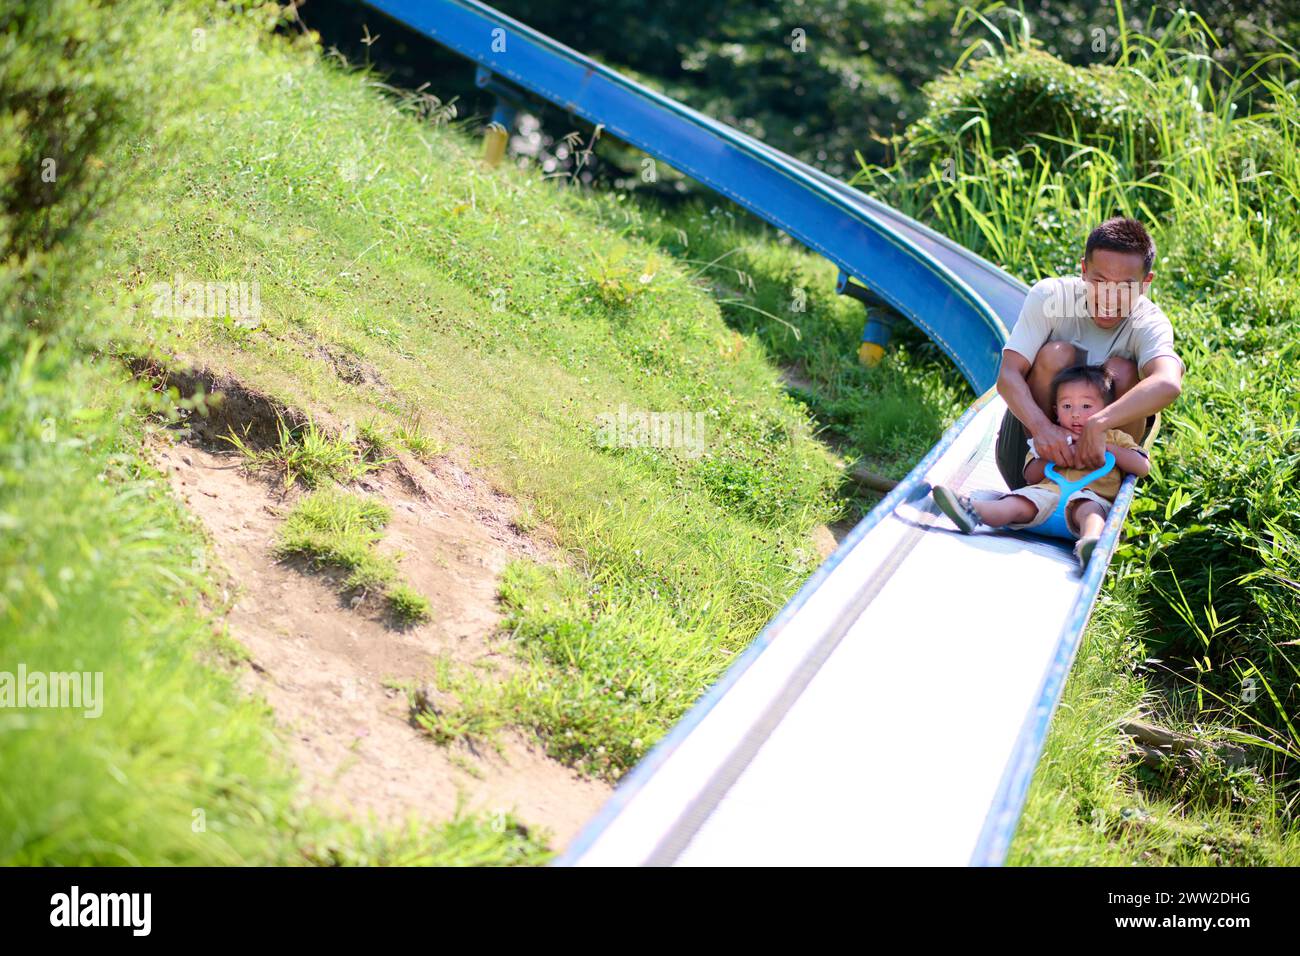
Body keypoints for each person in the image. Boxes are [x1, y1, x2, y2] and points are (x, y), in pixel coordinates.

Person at [994, 217, 1182, 490]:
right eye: (1100, 280)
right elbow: (1008, 375)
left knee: (1124, 371)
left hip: (1102, 473)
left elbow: (1168, 383)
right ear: (1083, 270)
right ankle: (1040, 474)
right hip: (1031, 460)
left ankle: (1099, 491)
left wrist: (1098, 424)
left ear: (1145, 283)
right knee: (1055, 354)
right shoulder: (1052, 298)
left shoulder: (1148, 322)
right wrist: (1042, 429)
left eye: (1125, 286)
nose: (1109, 297)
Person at [932, 365, 1151, 569]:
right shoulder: (1051, 438)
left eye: (1086, 406)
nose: (1075, 413)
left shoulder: (1115, 437)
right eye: (1067, 406)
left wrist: (1107, 448)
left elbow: (1142, 467)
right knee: (1016, 503)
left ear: (1106, 410)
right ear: (1056, 411)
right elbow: (1030, 475)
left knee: (1089, 511)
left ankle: (1091, 543)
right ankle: (973, 511)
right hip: (1046, 496)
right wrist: (1054, 457)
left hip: (1090, 498)